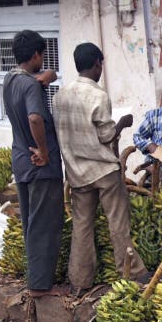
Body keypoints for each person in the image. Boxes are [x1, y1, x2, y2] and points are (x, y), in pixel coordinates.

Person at [53, 43, 147, 291]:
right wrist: (122, 123)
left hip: (76, 172)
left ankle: (80, 281)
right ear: (97, 64)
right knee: (118, 221)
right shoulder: (98, 95)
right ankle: (132, 272)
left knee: (82, 226)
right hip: (103, 170)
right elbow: (106, 136)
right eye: (101, 65)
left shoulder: (59, 96)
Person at [2, 30, 64, 297]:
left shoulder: (11, 79)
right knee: (45, 224)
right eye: (43, 56)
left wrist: (47, 76)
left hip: (21, 162)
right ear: (36, 54)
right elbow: (35, 118)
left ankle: (35, 278)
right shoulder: (29, 86)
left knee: (30, 223)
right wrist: (44, 150)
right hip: (40, 164)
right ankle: (40, 285)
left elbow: (41, 79)